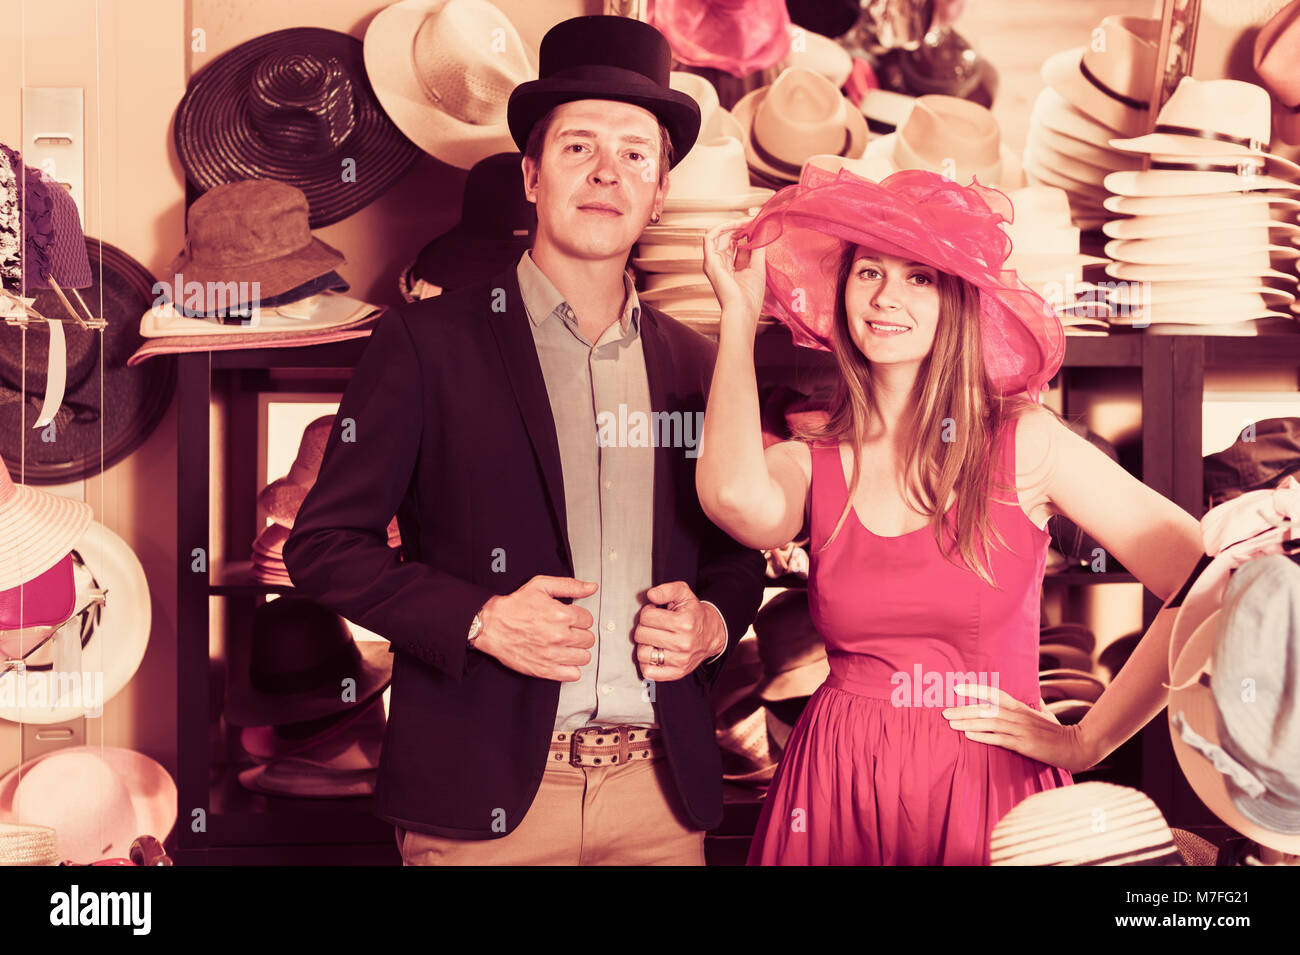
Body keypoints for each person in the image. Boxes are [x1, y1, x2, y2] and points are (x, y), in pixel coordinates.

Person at [283, 15, 766, 866]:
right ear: (533, 177)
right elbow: (323, 547)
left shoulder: (699, 364)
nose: (607, 172)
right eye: (579, 146)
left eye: (635, 153)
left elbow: (736, 554)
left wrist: (715, 625)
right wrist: (477, 618)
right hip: (480, 804)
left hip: (660, 800)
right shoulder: (424, 345)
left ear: (659, 191)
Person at [695, 164, 1205, 865]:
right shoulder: (815, 457)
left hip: (987, 780)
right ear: (842, 291)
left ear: (956, 303)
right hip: (837, 786)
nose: (886, 296)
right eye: (868, 271)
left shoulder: (1026, 441)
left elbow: (1202, 579)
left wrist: (1089, 738)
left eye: (919, 277)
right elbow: (729, 499)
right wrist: (737, 319)